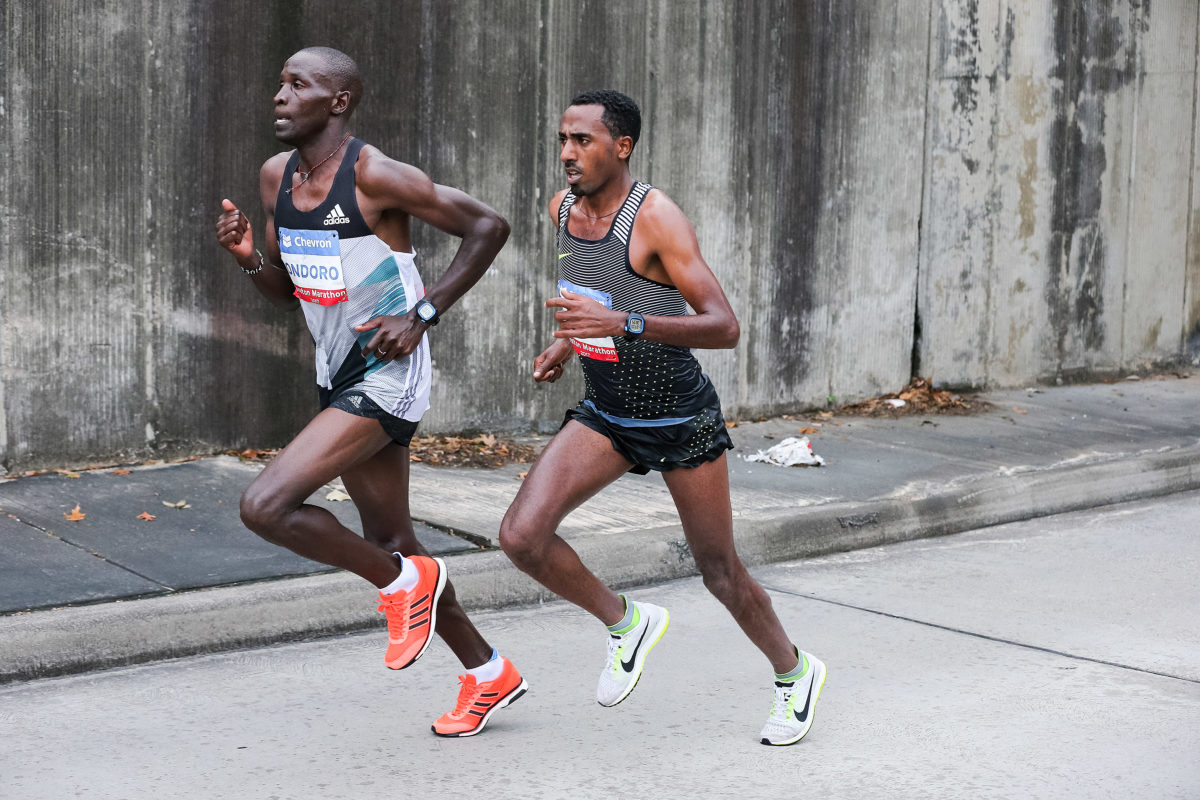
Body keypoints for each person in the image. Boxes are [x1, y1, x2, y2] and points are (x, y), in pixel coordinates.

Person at [214, 46, 525, 738]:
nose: (280, 94)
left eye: (300, 84)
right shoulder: (276, 178)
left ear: (340, 101)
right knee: (390, 537)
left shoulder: (376, 176)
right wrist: (248, 259)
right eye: (281, 80)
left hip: (389, 373)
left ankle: (399, 585)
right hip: (336, 372)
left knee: (265, 505)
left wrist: (422, 313)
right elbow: (286, 290)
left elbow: (488, 226)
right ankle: (486, 671)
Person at [498, 90, 825, 745]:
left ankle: (794, 673)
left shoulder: (656, 219)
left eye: (583, 141)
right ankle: (627, 623)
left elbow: (724, 326)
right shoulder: (562, 209)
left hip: (680, 419)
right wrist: (570, 340)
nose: (567, 153)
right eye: (563, 139)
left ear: (622, 147)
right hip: (608, 413)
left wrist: (624, 324)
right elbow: (593, 288)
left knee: (719, 572)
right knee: (521, 537)